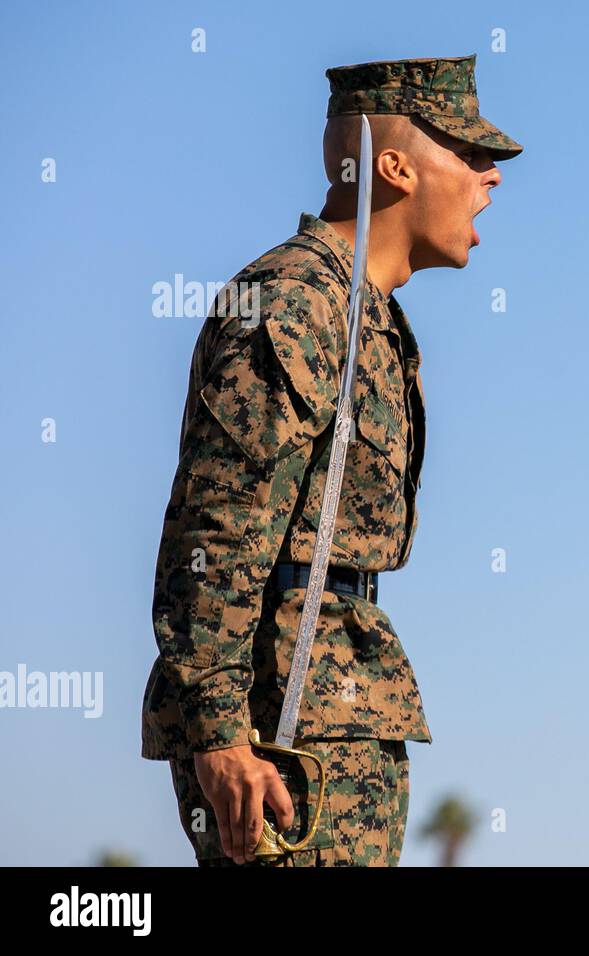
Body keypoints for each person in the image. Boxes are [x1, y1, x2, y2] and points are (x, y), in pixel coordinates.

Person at [139, 55, 523, 866]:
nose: (489, 176)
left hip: (338, 711)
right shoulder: (298, 302)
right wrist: (219, 737)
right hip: (284, 733)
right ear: (394, 166)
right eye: (466, 152)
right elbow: (220, 524)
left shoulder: (363, 315)